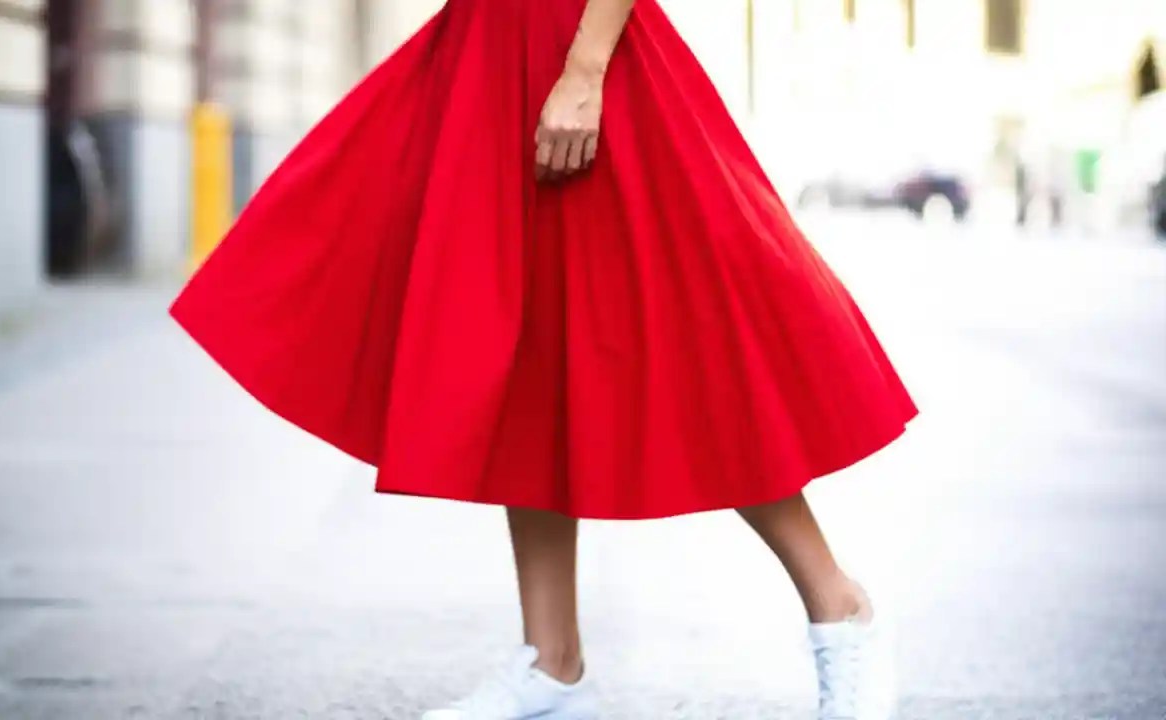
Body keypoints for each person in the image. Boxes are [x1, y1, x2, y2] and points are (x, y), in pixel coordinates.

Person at [170, 0, 917, 718]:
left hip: (582, 58)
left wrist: (585, 69)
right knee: (523, 344)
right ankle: (551, 661)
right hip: (483, 59)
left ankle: (839, 607)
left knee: (692, 343)